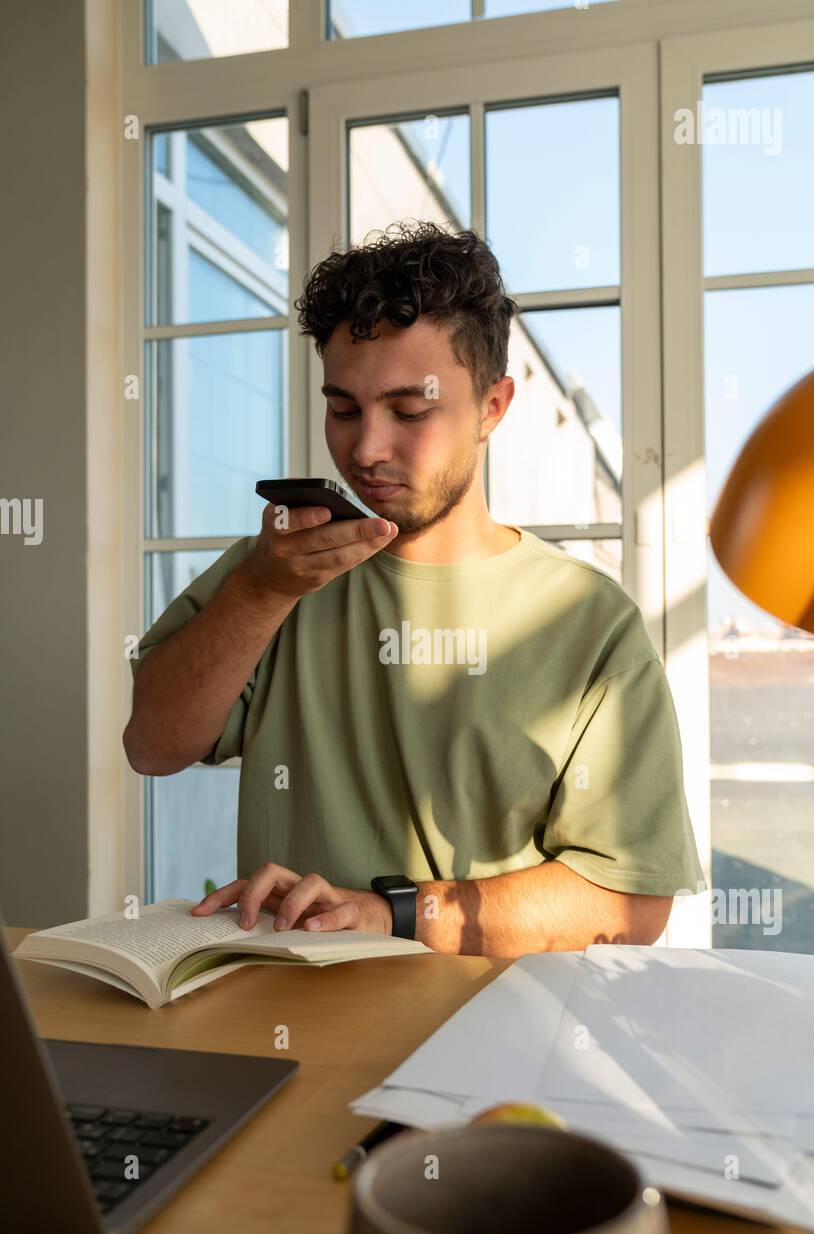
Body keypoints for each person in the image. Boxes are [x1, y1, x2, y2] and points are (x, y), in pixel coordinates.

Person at [124, 220, 704, 956]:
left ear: (492, 407)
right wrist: (259, 594)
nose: (364, 449)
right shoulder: (270, 571)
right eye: (342, 409)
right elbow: (153, 745)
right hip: (290, 1025)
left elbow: (630, 903)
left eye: (409, 411)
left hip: (492, 1047)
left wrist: (385, 913)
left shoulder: (589, 624)